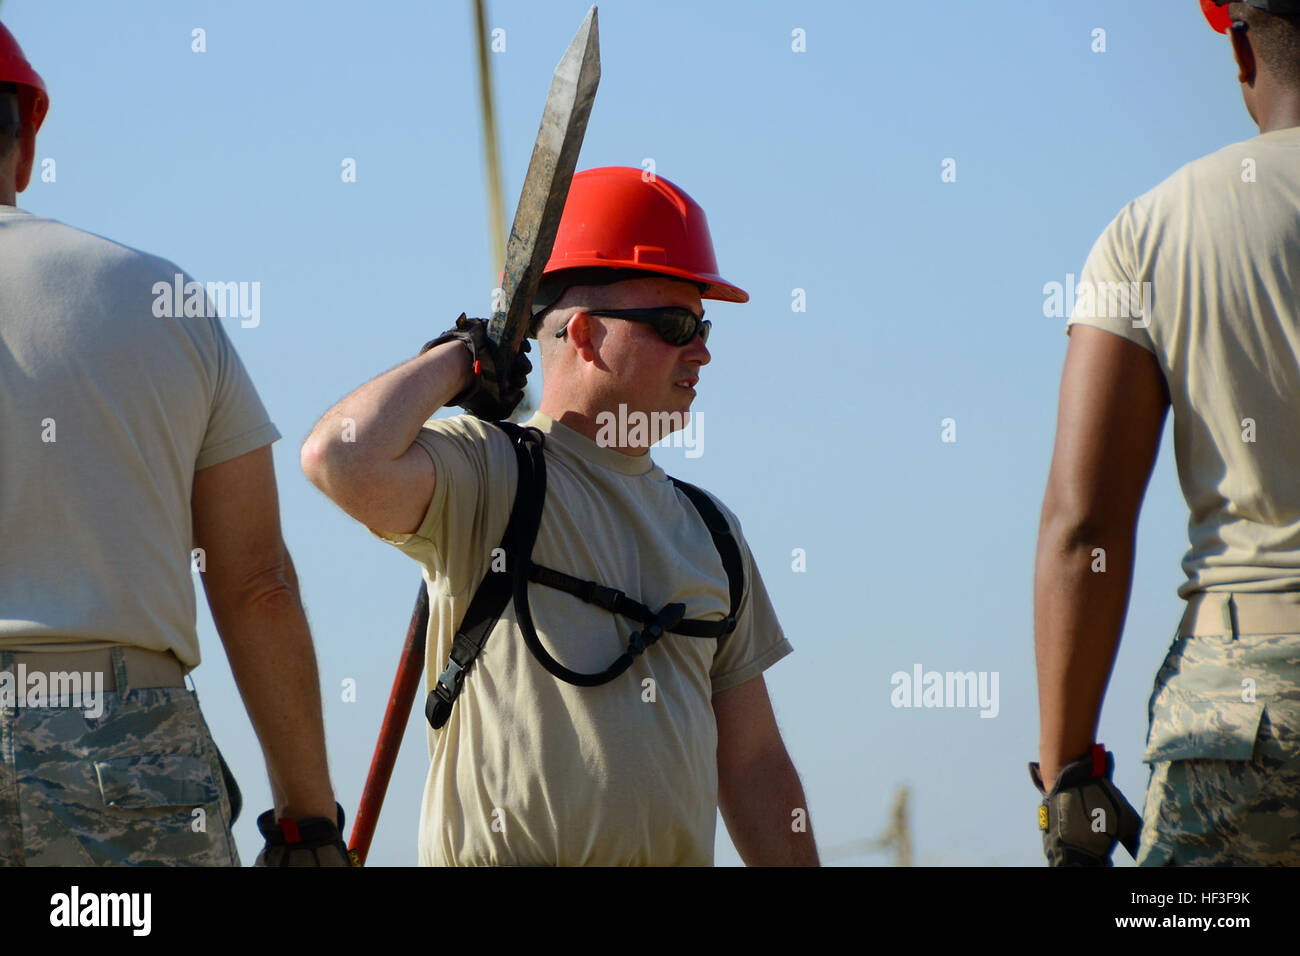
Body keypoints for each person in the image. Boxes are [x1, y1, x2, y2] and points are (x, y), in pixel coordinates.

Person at [303, 166, 817, 866]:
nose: (700, 349)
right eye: (673, 324)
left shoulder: (712, 533)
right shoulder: (488, 473)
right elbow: (339, 457)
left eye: (702, 325)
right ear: (581, 334)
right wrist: (460, 359)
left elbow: (756, 766)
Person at [0, 21, 348, 866]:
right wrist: (308, 823)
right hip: (122, 747)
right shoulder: (161, 300)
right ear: (27, 141)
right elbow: (256, 584)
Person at [1031, 0, 1300, 866]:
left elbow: (1085, 528)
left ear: (1241, 48)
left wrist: (1068, 774)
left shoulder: (1150, 232)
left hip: (1241, 713)